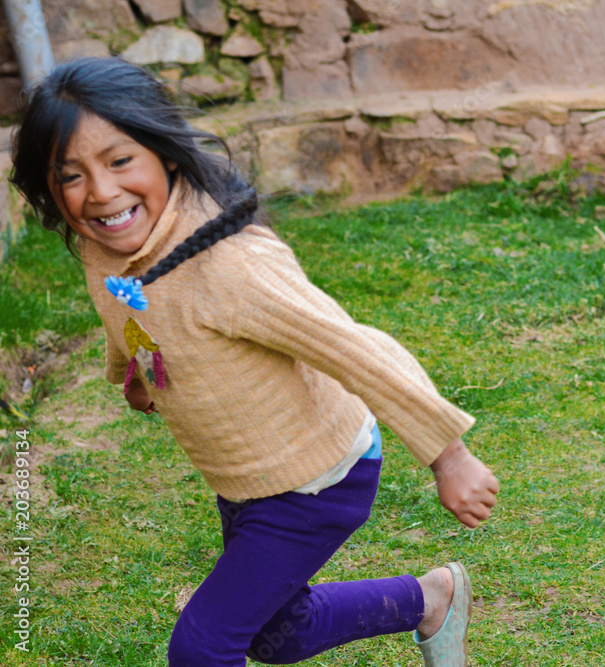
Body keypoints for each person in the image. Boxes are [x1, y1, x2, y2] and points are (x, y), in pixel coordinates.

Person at [9, 56, 499, 667]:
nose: (101, 192)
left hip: (316, 480)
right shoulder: (104, 245)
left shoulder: (232, 269)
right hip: (247, 476)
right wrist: (135, 374)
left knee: (202, 647)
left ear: (164, 152)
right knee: (279, 634)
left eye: (119, 160)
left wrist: (448, 455)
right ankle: (430, 599)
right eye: (70, 174)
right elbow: (129, 307)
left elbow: (356, 348)